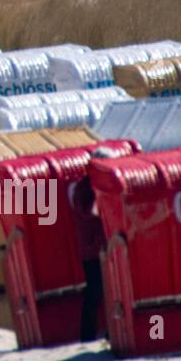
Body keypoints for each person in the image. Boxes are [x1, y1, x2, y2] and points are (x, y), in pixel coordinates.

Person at [69, 146, 116, 342]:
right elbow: (91, 211)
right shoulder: (84, 188)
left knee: (111, 291)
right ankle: (87, 336)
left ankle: (111, 331)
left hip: (108, 247)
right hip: (91, 250)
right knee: (94, 291)